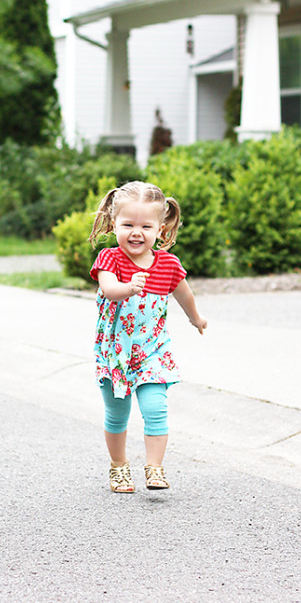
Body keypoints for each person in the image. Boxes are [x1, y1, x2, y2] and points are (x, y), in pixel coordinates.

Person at [88, 180, 207, 494]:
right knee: (117, 414)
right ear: (114, 225)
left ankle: (154, 467)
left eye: (145, 225)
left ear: (161, 228)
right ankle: (118, 467)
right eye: (127, 224)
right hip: (115, 354)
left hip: (152, 352)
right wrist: (129, 288)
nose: (136, 232)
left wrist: (196, 318)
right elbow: (110, 289)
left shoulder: (167, 264)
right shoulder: (109, 259)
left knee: (155, 408)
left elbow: (184, 294)